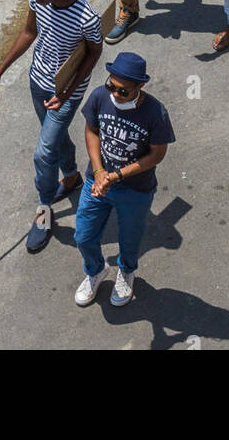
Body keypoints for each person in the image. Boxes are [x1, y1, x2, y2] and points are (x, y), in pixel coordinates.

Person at [0, 0, 103, 253]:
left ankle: (44, 212)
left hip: (65, 92)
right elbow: (28, 33)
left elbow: (93, 54)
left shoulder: (87, 18)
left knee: (43, 153)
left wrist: (67, 92)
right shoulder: (38, 0)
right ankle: (72, 176)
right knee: (55, 139)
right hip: (37, 81)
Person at [74, 52, 175, 308]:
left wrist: (117, 175)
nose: (116, 94)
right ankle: (96, 271)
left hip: (135, 190)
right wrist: (98, 172)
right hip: (96, 182)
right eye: (112, 86)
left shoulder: (155, 113)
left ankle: (127, 272)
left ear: (140, 86)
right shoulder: (99, 97)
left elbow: (156, 155)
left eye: (124, 91)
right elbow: (91, 130)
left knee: (129, 240)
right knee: (84, 236)